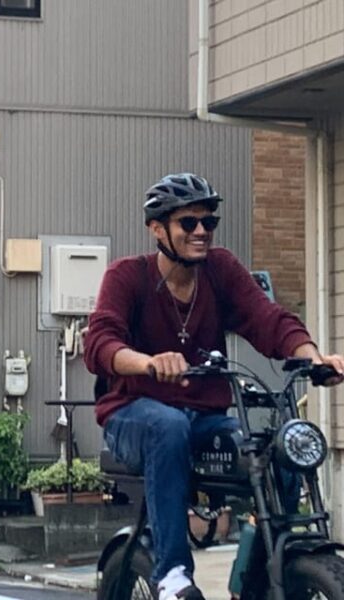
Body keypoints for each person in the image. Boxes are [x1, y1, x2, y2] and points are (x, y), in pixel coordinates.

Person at [83, 173, 344, 600]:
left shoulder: (219, 270)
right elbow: (101, 342)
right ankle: (172, 576)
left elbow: (268, 319)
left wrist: (312, 356)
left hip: (204, 419)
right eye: (189, 223)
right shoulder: (128, 276)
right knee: (168, 426)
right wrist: (148, 362)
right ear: (157, 229)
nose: (202, 231)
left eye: (209, 222)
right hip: (131, 412)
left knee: (275, 448)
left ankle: (266, 577)